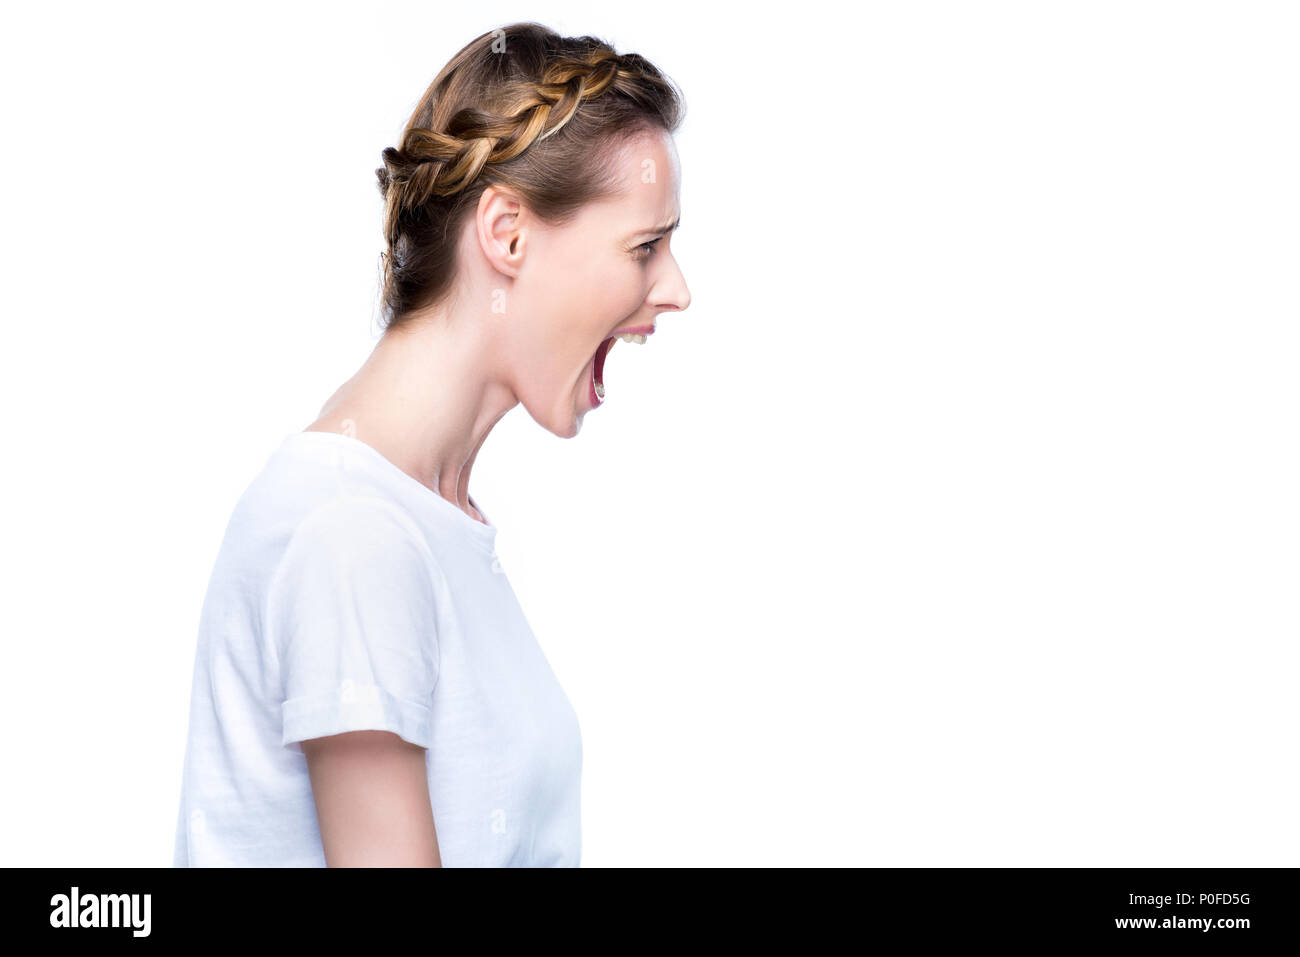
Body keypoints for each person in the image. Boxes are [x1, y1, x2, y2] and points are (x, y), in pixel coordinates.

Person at [172, 21, 690, 867]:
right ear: (508, 234)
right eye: (644, 246)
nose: (675, 289)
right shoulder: (353, 536)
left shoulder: (423, 522)